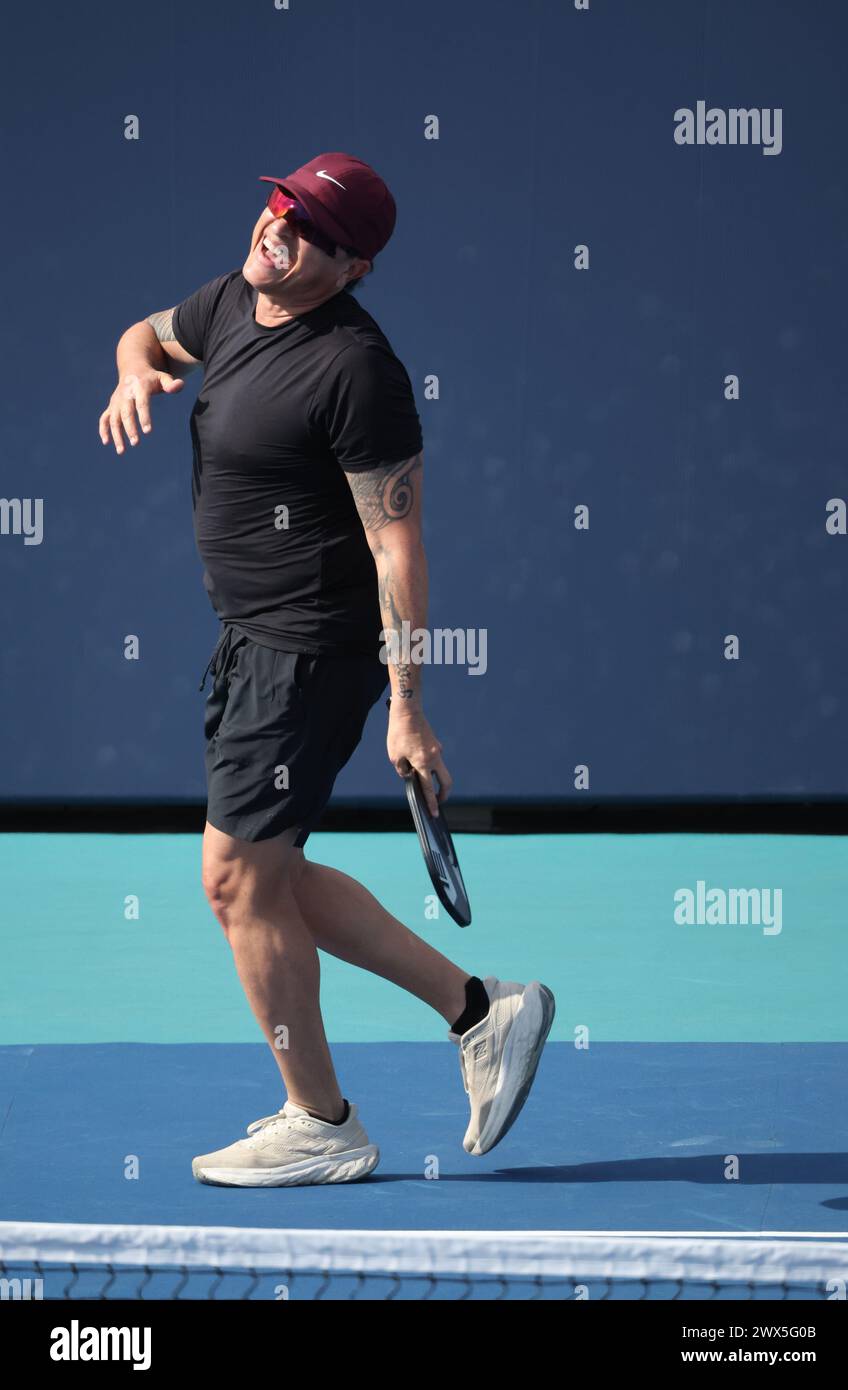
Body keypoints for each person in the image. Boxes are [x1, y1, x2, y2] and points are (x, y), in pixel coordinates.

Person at [98, 151, 554, 1187]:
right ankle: (483, 1012)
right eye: (277, 203)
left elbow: (399, 548)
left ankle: (322, 1119)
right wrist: (136, 367)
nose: (276, 226)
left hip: (309, 653)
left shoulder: (356, 371)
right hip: (247, 641)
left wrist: (409, 708)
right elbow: (146, 331)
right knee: (276, 879)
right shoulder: (227, 302)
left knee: (231, 880)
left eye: (305, 225)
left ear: (349, 267)